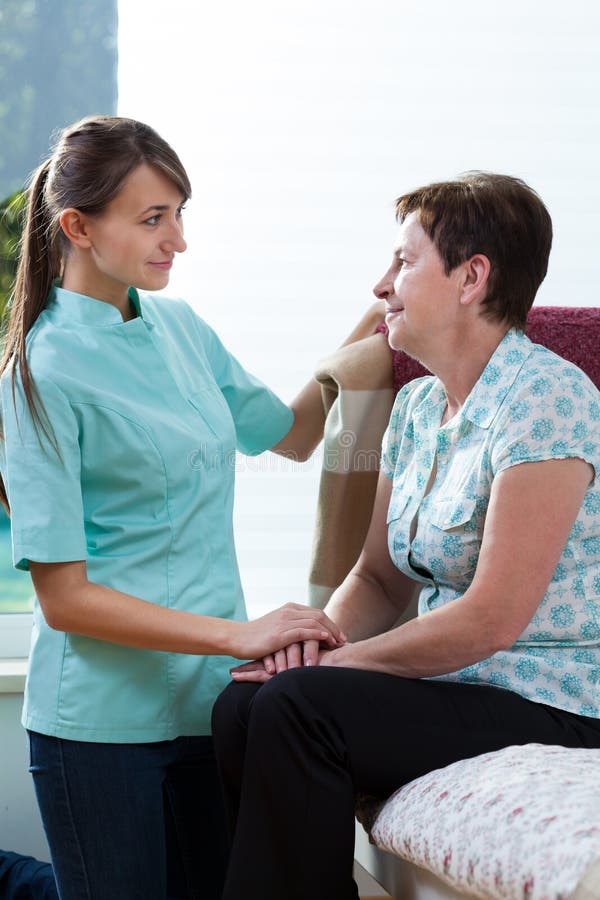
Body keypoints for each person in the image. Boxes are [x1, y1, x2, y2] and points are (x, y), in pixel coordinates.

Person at [0, 115, 384, 900]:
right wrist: (243, 634)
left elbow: (295, 432)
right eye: (152, 219)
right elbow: (64, 600)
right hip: (101, 724)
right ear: (77, 226)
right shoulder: (38, 374)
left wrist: (384, 316)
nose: (178, 239)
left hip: (207, 705)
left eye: (180, 213)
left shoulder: (182, 328)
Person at [212, 172, 600, 900]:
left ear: (471, 277)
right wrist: (314, 645)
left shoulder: (548, 398)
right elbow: (382, 579)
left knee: (299, 708)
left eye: (403, 262)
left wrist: (332, 670)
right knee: (240, 705)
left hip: (557, 702)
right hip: (464, 689)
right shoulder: (419, 405)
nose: (381, 285)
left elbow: (493, 618)